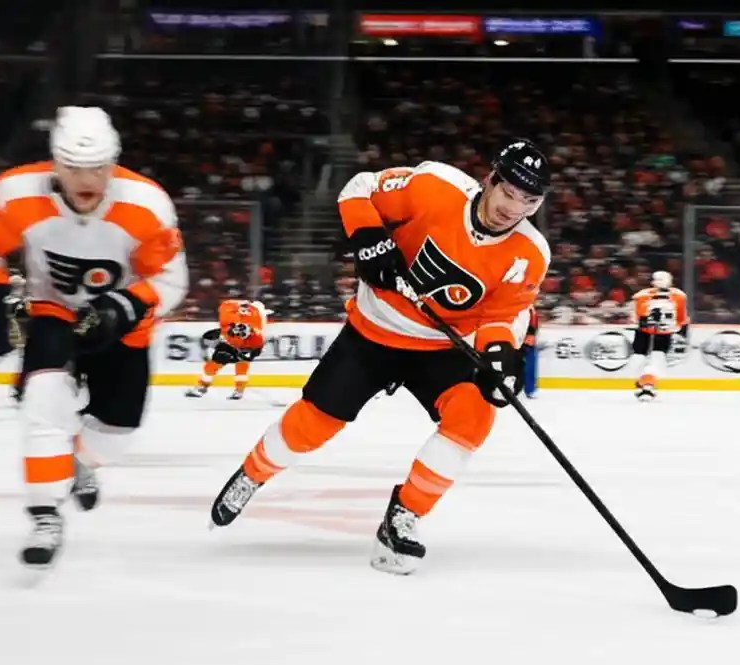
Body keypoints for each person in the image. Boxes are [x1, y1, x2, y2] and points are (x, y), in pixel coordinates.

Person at [208, 140, 551, 575]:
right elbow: (358, 188)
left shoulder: (531, 252)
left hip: (443, 348)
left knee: (474, 414)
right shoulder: (435, 186)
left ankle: (403, 517)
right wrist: (369, 237)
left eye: (529, 199)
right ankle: (253, 473)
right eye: (509, 191)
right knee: (313, 425)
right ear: (491, 180)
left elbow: (501, 316)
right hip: (376, 331)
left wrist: (499, 357)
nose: (514, 206)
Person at [0, 106, 188, 569]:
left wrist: (123, 307)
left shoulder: (148, 205)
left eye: (98, 167)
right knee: (42, 403)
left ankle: (79, 463)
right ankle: (44, 514)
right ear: (54, 163)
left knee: (118, 430)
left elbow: (172, 279)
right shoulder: (15, 192)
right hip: (51, 310)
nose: (87, 179)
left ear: (114, 164)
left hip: (125, 326)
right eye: (74, 167)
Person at [186, 298, 270, 400]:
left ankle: (238, 390)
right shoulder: (230, 316)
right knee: (214, 364)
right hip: (231, 342)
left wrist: (246, 350)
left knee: (241, 366)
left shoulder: (256, 332)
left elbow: (256, 343)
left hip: (247, 345)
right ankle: (203, 386)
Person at [630, 271, 689, 401]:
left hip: (656, 332)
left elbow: (681, 317)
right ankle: (645, 384)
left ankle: (647, 385)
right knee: (646, 358)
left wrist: (679, 330)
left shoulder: (643, 295)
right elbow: (682, 318)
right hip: (652, 332)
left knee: (653, 358)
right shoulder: (643, 296)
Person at [521, 307, 539, 399]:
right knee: (528, 367)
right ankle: (529, 389)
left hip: (527, 340)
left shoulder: (530, 309)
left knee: (529, 367)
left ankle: (529, 389)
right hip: (524, 341)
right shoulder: (526, 309)